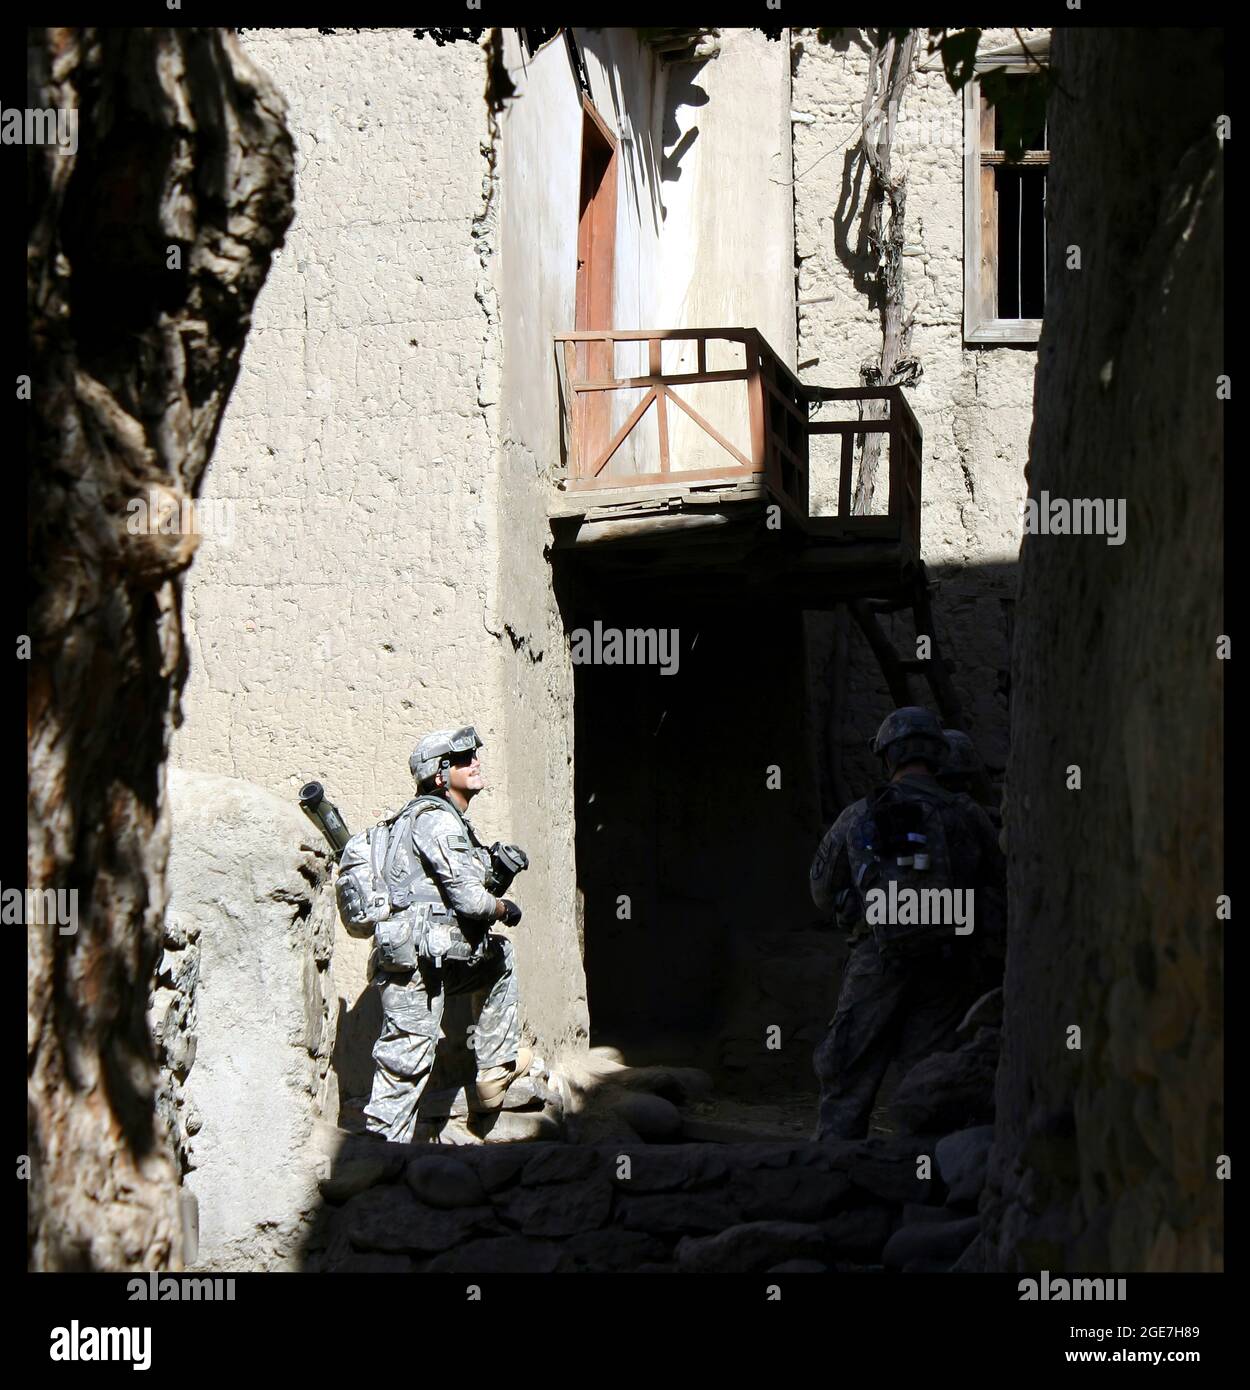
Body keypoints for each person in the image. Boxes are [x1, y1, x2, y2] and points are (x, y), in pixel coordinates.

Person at [808, 707, 1006, 1141]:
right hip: (950, 965)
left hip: (878, 960)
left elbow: (821, 892)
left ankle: (831, 1169)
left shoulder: (859, 815)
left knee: (848, 1071)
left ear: (887, 756)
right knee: (927, 1078)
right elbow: (1000, 884)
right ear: (938, 754)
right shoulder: (968, 815)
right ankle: (923, 1175)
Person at [363, 725, 533, 1142]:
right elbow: (471, 901)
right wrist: (503, 908)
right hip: (415, 971)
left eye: (474, 756)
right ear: (440, 774)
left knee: (498, 958)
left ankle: (494, 1070)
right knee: (404, 1068)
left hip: (433, 963)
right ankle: (370, 1160)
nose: (474, 763)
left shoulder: (439, 819)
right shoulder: (435, 821)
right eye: (462, 760)